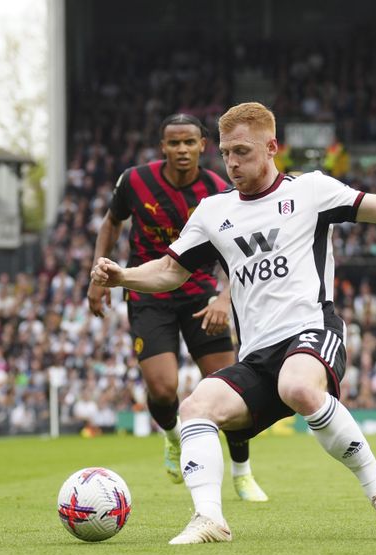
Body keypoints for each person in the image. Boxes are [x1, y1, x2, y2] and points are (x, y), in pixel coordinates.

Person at [92, 102, 376, 544]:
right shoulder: (213, 212)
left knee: (300, 388)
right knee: (194, 408)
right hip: (257, 356)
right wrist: (123, 276)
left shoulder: (311, 191)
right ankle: (209, 518)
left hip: (311, 330)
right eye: (227, 152)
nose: (231, 162)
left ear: (271, 148)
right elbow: (171, 272)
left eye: (242, 152)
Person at [88, 113, 268, 502]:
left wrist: (225, 297)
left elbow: (239, 252)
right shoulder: (135, 181)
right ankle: (172, 437)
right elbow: (111, 222)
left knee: (229, 384)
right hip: (149, 292)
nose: (182, 150)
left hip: (202, 293)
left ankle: (242, 471)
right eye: (174, 143)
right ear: (163, 147)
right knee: (163, 386)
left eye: (190, 142)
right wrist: (96, 274)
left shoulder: (220, 190)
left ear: (204, 145)